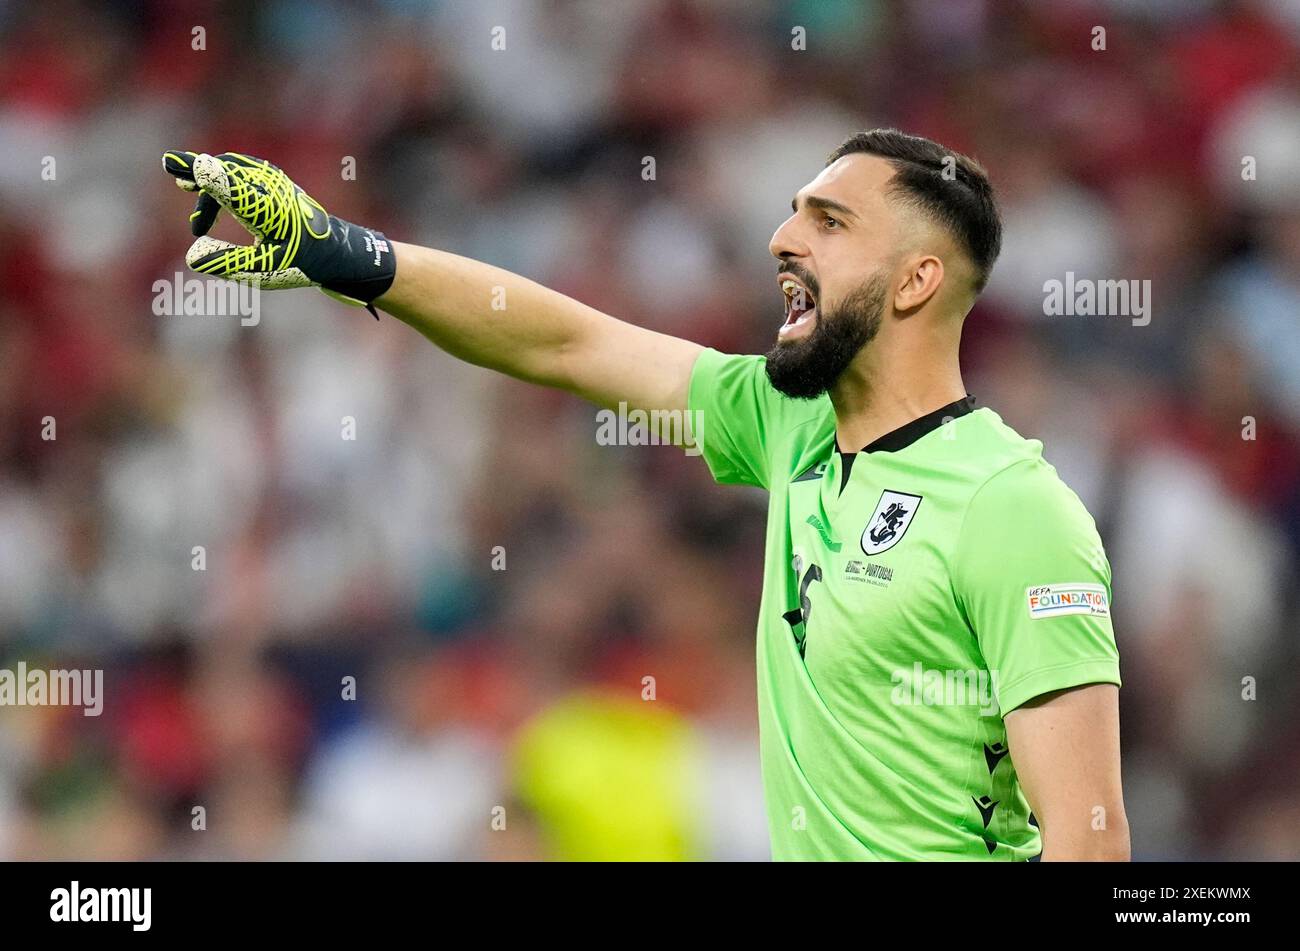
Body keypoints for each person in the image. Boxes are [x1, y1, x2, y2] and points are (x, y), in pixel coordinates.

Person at [160, 128, 1128, 861]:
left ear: (916, 281)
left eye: (828, 223)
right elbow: (562, 341)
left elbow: (1088, 840)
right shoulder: (787, 424)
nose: (782, 238)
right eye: (794, 210)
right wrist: (346, 252)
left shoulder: (1011, 508)